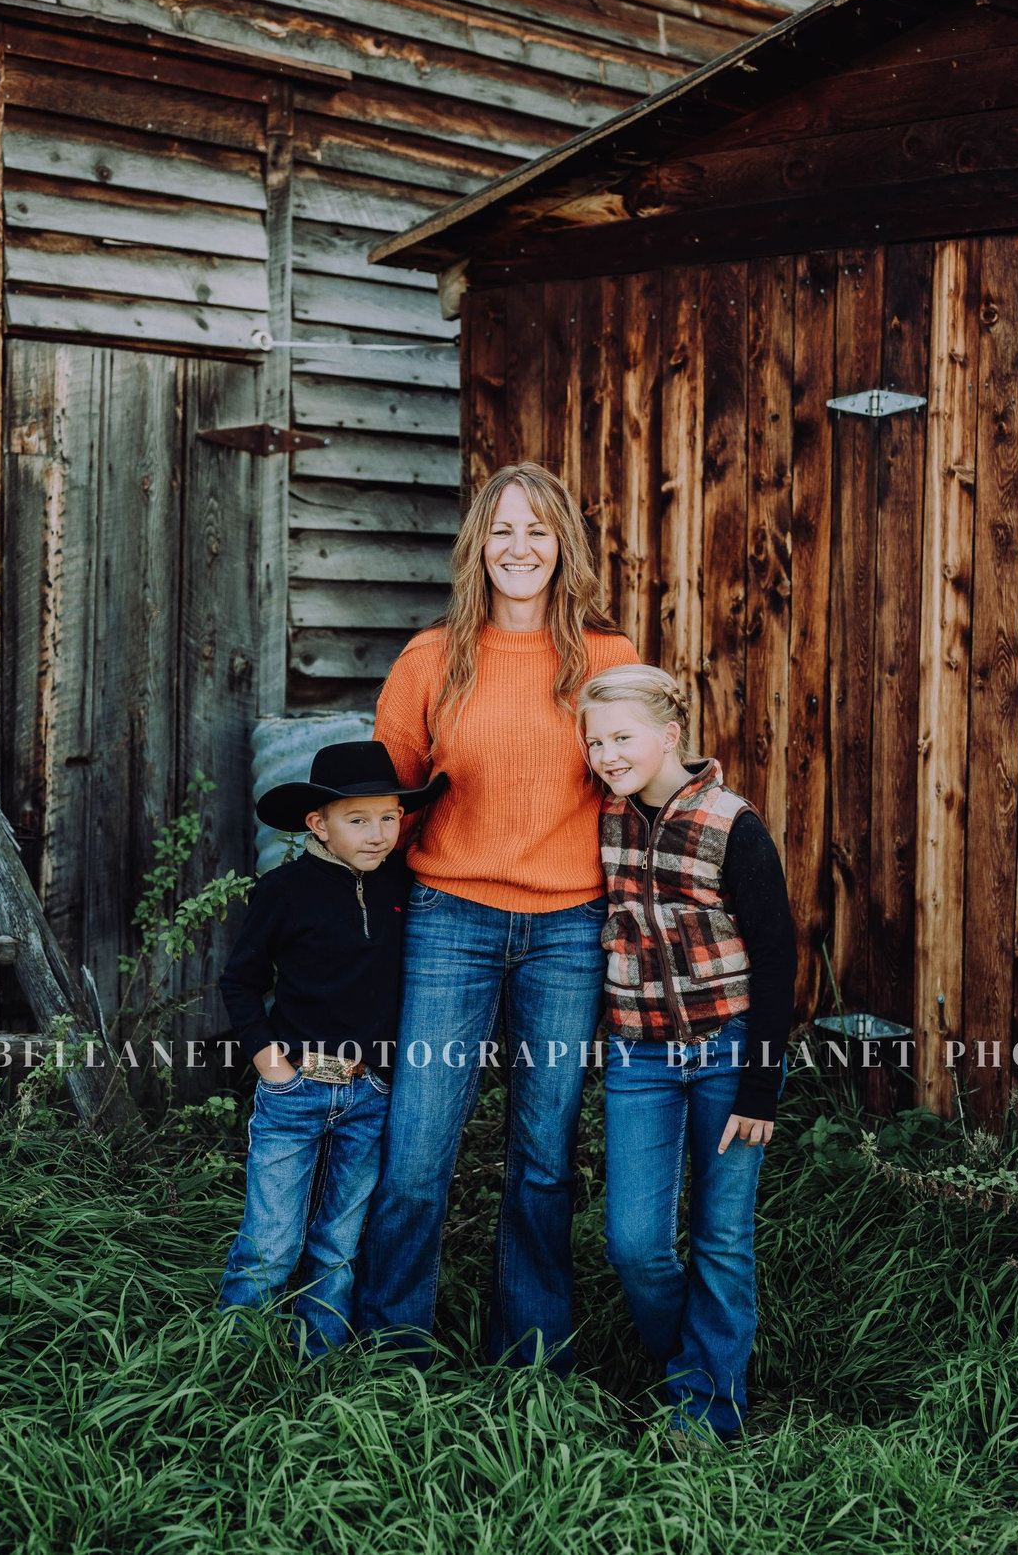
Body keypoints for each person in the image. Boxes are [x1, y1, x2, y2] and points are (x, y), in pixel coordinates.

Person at [354, 462, 639, 1370]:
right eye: (503, 531)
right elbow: (382, 793)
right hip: (450, 921)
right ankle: (390, 1348)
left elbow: (635, 781)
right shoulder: (430, 658)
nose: (520, 549)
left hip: (568, 930)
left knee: (545, 1158)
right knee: (416, 1153)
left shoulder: (608, 659)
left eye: (538, 531)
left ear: (563, 547)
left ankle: (531, 1357)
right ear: (478, 545)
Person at [577, 664, 796, 1439]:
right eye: (594, 741)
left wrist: (759, 1089)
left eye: (621, 737)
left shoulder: (733, 823)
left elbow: (774, 957)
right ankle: (696, 1360)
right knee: (633, 1244)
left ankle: (708, 1410)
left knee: (721, 1236)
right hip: (638, 1056)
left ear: (670, 735)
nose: (605, 754)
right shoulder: (601, 819)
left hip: (728, 1051)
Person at [216, 741, 447, 1359]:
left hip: (370, 1090)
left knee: (340, 1240)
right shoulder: (284, 890)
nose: (378, 834)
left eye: (390, 817)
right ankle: (232, 1367)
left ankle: (317, 1363)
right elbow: (240, 981)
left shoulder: (403, 886)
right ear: (318, 824)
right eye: (358, 819)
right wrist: (272, 1065)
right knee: (271, 1240)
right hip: (295, 1089)